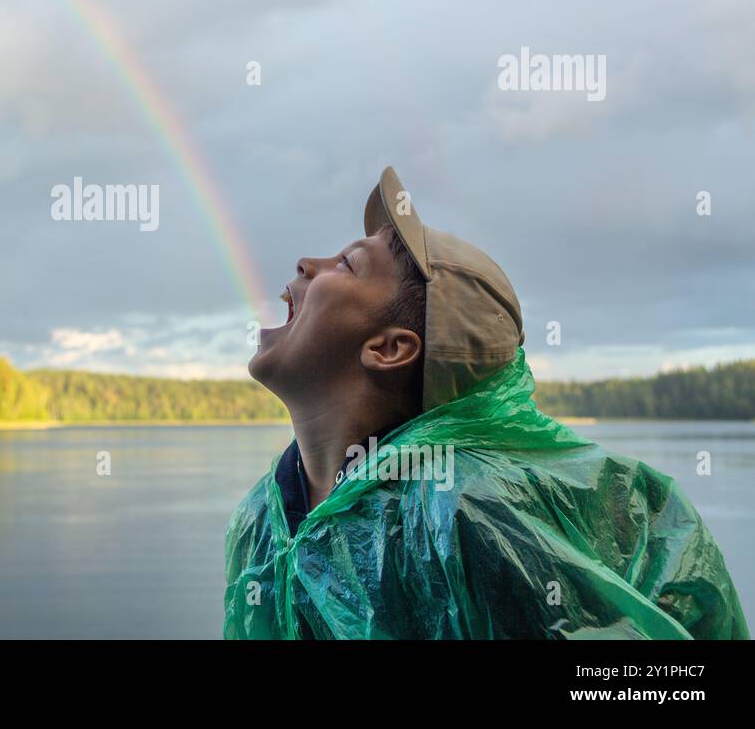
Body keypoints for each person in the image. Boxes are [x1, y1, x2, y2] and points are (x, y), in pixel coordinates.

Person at [224, 166, 748, 639]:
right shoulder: (263, 518)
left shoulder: (468, 513)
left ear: (389, 348)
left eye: (347, 264)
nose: (305, 263)